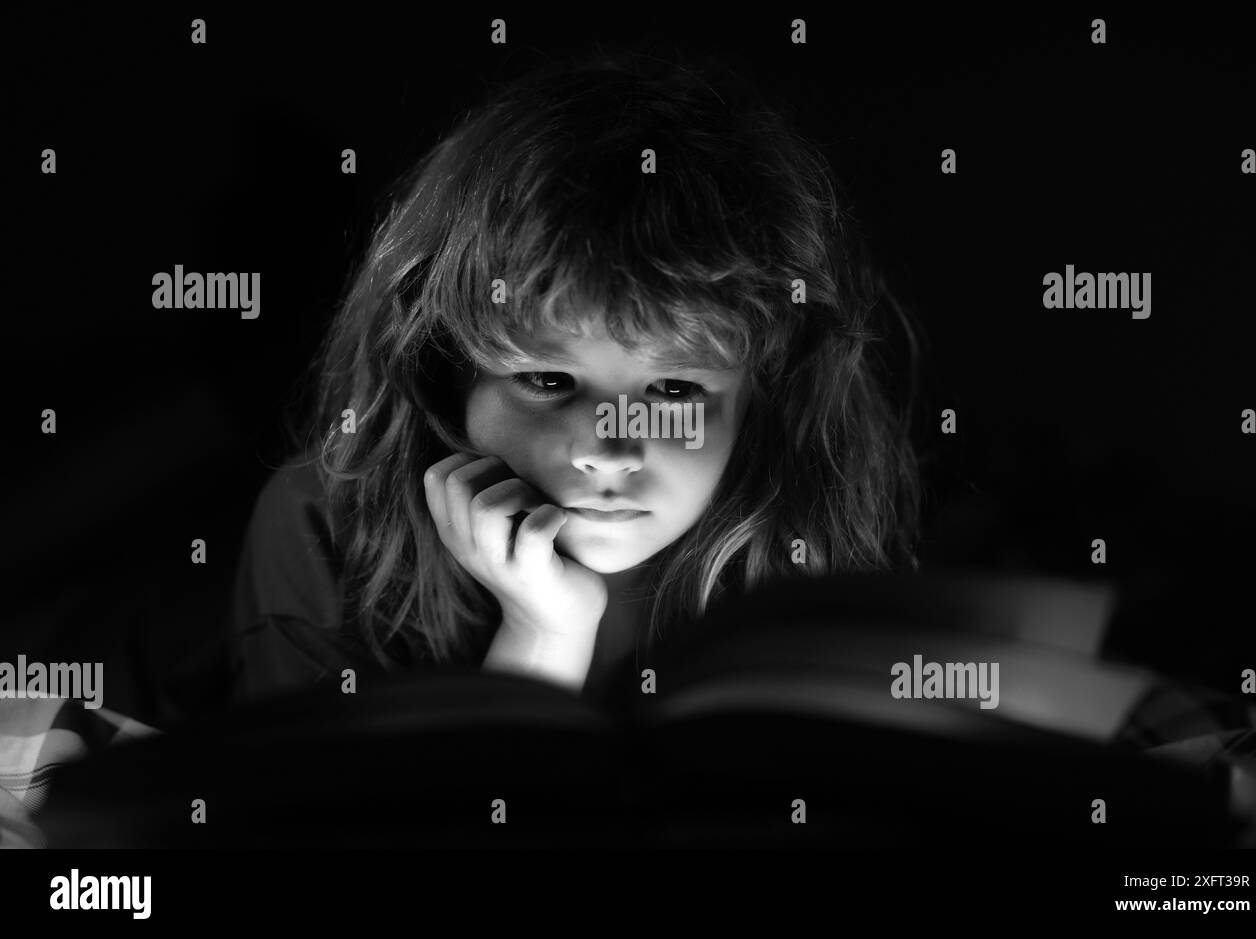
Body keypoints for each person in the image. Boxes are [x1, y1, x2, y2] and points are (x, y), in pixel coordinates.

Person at [227, 47, 925, 712]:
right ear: (446, 370)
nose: (610, 450)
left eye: (675, 392)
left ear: (757, 400)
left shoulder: (808, 539)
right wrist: (543, 637)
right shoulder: (323, 526)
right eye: (548, 380)